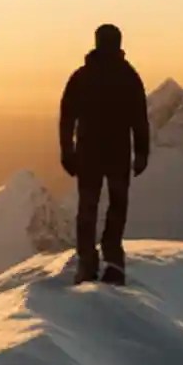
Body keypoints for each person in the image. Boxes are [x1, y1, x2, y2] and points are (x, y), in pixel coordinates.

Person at [59, 23, 149, 285]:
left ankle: (89, 262)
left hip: (90, 152)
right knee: (115, 206)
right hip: (116, 152)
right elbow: (140, 119)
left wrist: (67, 150)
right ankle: (111, 260)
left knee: (89, 207)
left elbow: (67, 118)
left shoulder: (82, 76)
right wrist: (142, 152)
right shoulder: (129, 76)